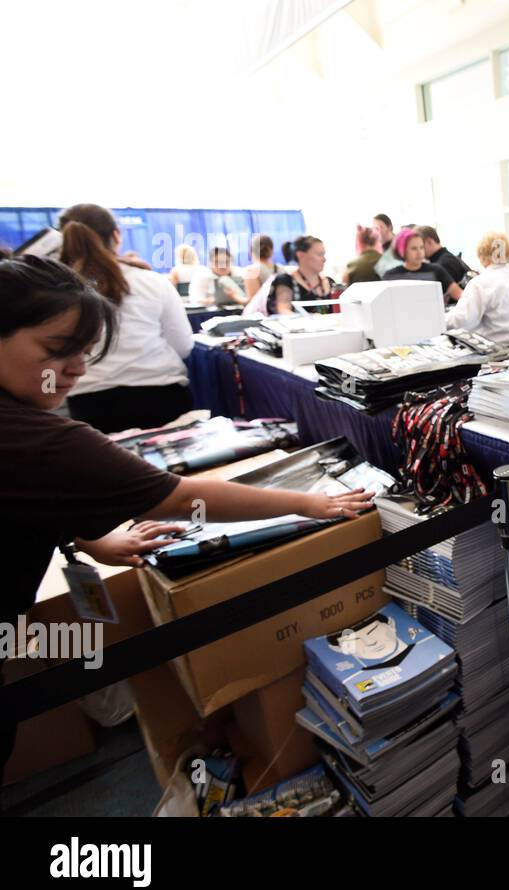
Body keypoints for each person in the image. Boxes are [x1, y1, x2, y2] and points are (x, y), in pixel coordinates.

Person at [0, 253, 375, 785]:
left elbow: (33, 491)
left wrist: (92, 540)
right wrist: (308, 503)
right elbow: (179, 500)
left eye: (83, 353)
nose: (77, 369)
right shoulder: (40, 437)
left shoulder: (29, 430)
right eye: (57, 351)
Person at [57, 204, 195, 432]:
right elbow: (182, 345)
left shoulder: (58, 290)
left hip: (90, 404)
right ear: (116, 235)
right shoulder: (151, 282)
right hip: (162, 396)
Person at [444, 232, 509, 353]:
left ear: (481, 255)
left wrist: (438, 319)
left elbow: (461, 322)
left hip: (501, 354)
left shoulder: (481, 283)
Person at [381, 227, 462, 302]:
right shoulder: (391, 276)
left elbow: (459, 295)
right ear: (402, 251)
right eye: (414, 248)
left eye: (421, 247)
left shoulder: (436, 270)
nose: (419, 252)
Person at [270, 236, 340, 315]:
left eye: (324, 254)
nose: (324, 259)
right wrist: (311, 320)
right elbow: (283, 310)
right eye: (319, 254)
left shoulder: (330, 282)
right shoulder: (286, 281)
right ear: (301, 255)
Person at [416, 225, 473, 294]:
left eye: (420, 246)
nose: (418, 251)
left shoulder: (444, 263)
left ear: (429, 242)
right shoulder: (447, 258)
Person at [243, 233, 281, 300]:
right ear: (272, 250)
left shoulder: (252, 270)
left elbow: (252, 301)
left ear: (251, 251)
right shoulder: (281, 269)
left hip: (263, 310)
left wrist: (234, 296)